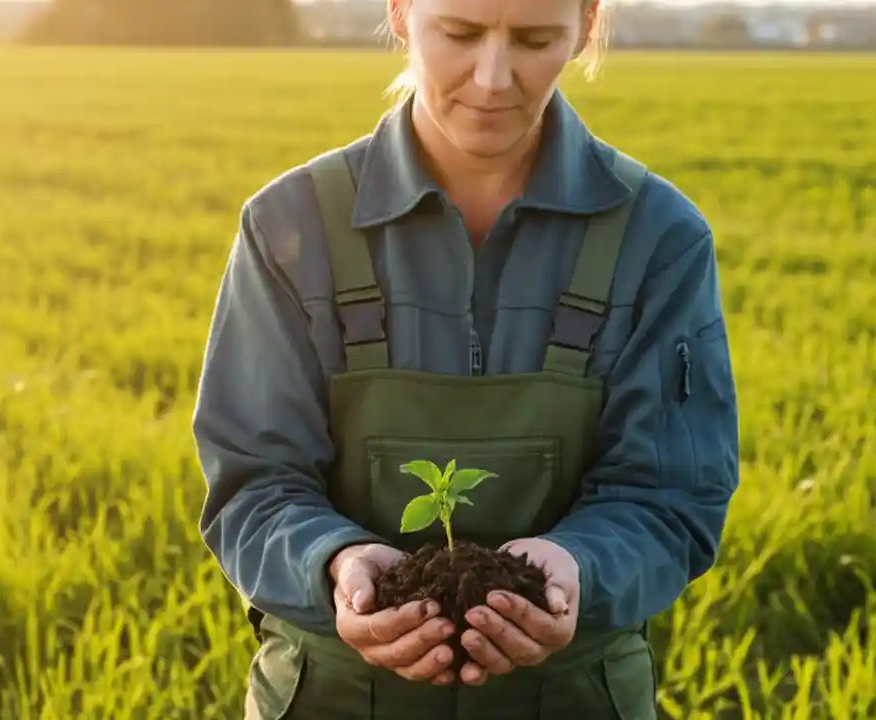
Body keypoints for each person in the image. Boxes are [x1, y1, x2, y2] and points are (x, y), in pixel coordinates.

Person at [192, 0, 740, 717]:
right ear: (399, 13)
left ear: (585, 26)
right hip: (332, 696)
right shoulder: (291, 226)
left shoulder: (657, 238)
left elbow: (670, 495)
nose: (492, 78)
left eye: (535, 39)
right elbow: (252, 484)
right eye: (460, 33)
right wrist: (334, 565)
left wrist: (581, 568)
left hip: (569, 697)